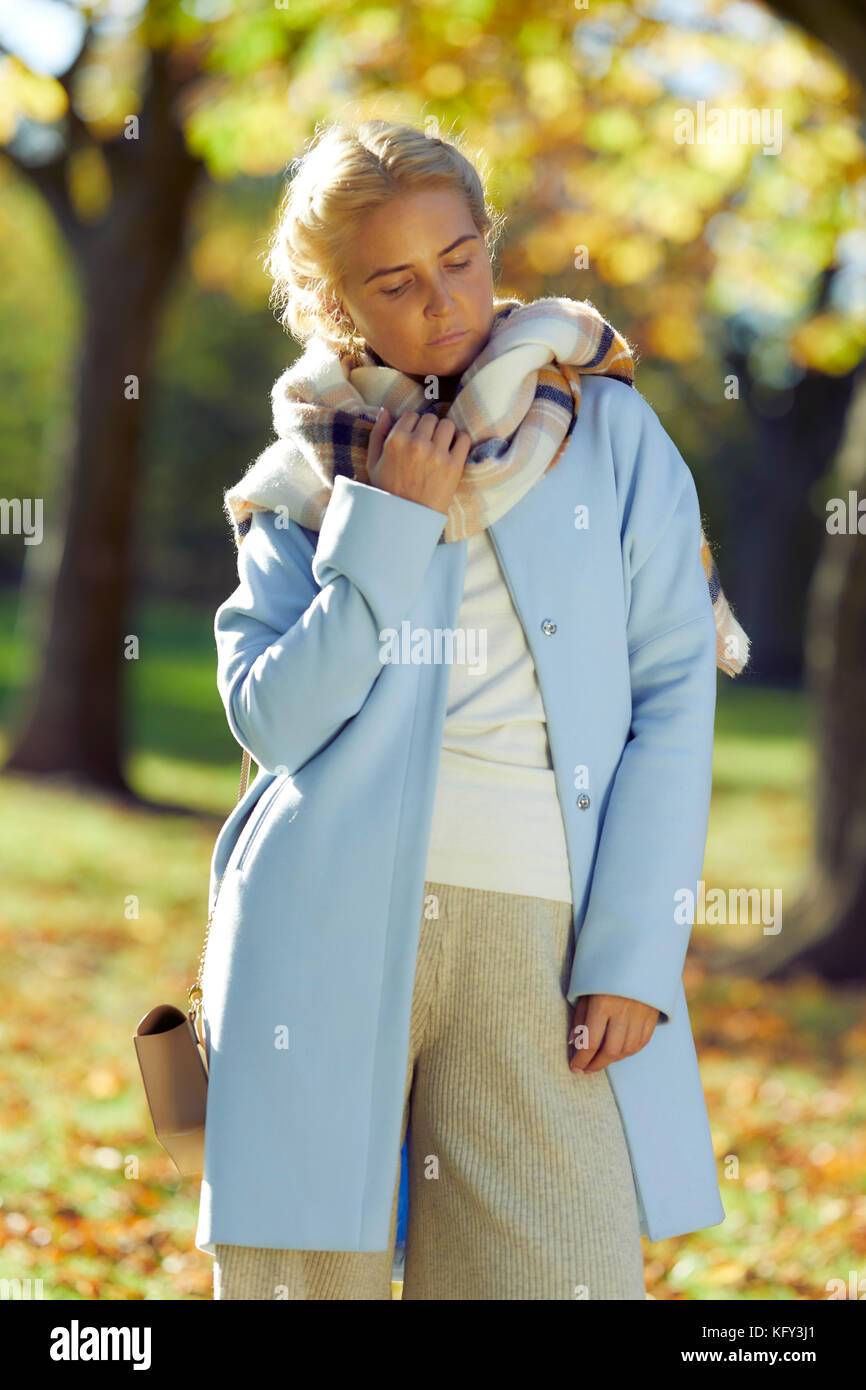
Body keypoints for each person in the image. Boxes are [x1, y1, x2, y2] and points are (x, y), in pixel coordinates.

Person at [194, 118, 750, 1301]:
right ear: (336, 303)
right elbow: (274, 719)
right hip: (317, 924)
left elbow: (672, 695)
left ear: (487, 239)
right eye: (393, 283)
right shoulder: (304, 472)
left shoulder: (609, 434)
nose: (442, 302)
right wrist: (385, 519)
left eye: (458, 257)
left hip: (539, 938)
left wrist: (635, 952)